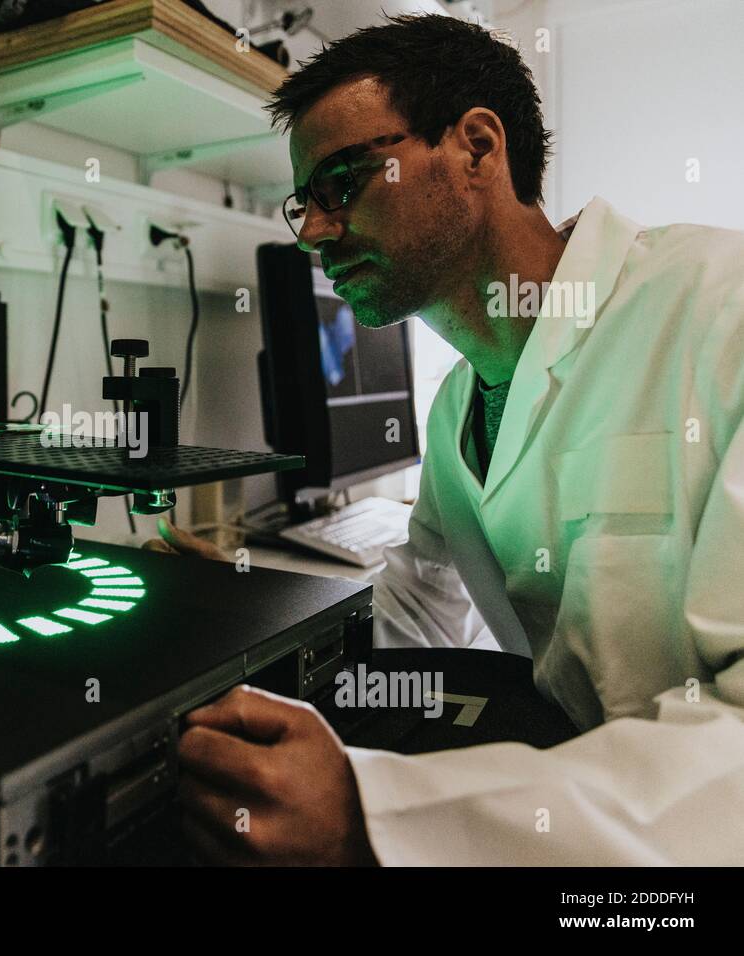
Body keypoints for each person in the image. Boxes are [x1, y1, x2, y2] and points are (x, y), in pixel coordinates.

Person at [150, 13, 744, 865]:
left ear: (476, 146)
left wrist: (378, 818)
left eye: (344, 179)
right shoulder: (461, 399)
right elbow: (418, 622)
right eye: (303, 202)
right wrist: (254, 622)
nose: (314, 230)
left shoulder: (720, 309)